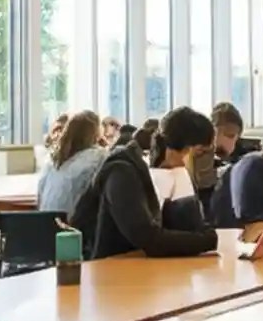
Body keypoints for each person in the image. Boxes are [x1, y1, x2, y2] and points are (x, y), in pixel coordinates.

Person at [70, 107, 217, 260]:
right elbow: (148, 238)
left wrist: (182, 178)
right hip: (108, 272)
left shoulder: (172, 172)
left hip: (144, 269)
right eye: (201, 152)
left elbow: (190, 228)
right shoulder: (122, 171)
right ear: (182, 148)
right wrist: (207, 241)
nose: (206, 161)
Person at [36, 111, 107, 218]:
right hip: (73, 228)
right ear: (96, 134)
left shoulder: (51, 161)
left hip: (45, 226)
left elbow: (39, 198)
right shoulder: (97, 156)